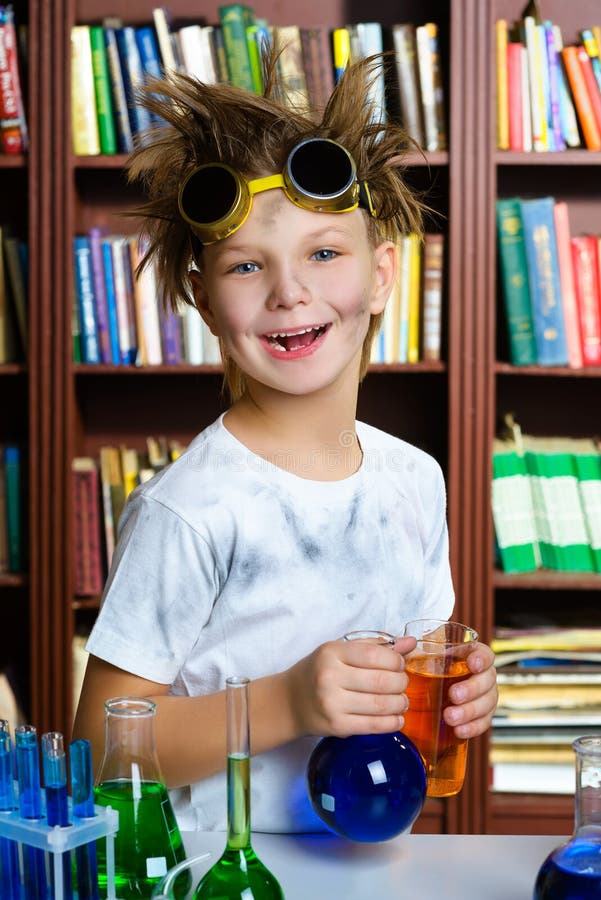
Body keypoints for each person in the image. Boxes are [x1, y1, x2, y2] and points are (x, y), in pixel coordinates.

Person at [73, 54, 498, 833]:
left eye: (324, 252)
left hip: (382, 866)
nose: (288, 290)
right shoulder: (191, 508)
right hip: (226, 877)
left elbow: (419, 669)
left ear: (381, 276)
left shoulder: (414, 479)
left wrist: (466, 690)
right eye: (246, 265)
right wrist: (288, 701)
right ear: (202, 301)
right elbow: (104, 744)